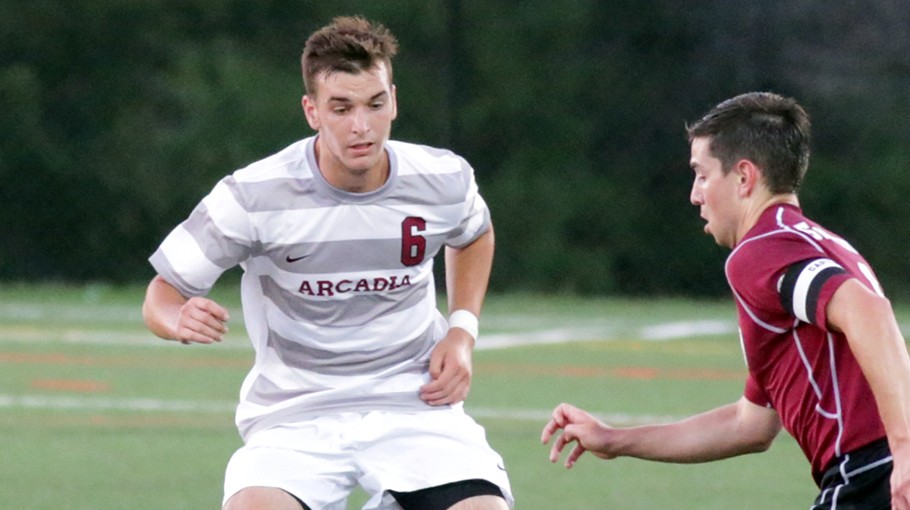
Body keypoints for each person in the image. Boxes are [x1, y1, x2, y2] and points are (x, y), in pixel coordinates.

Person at [142, 15, 512, 510]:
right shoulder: (253, 195)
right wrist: (176, 318)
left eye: (375, 104)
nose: (361, 126)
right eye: (341, 108)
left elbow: (475, 233)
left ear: (394, 101)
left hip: (415, 406)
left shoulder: (443, 179)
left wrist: (462, 330)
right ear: (311, 111)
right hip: (294, 415)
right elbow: (161, 294)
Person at [541, 92, 910, 509]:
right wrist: (613, 439)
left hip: (871, 473)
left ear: (744, 178)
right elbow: (750, 424)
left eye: (701, 174)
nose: (694, 195)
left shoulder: (760, 252)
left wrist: (904, 446)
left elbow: (869, 312)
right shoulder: (818, 243)